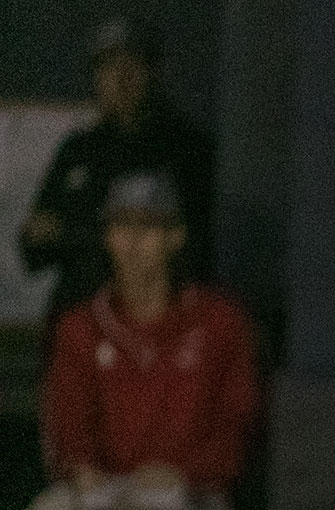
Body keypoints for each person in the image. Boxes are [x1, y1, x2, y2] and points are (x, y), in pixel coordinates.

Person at [0, 173, 256, 510]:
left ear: (175, 237)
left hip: (191, 502)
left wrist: (182, 473)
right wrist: (81, 468)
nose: (135, 243)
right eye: (122, 228)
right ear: (107, 238)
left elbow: (234, 430)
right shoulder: (81, 326)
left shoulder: (216, 322)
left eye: (149, 229)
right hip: (105, 492)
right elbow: (67, 424)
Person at [17, 18, 215, 333]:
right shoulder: (79, 149)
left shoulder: (187, 149)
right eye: (108, 68)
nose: (120, 79)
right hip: (80, 317)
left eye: (131, 66)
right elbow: (33, 247)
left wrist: (71, 234)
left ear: (153, 72)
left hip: (154, 321)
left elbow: (185, 246)